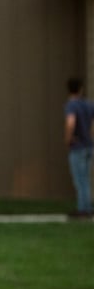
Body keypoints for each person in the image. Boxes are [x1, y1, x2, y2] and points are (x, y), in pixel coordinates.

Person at [64, 77, 94, 219]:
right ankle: (87, 207)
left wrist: (69, 139)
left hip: (78, 147)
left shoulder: (71, 105)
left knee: (79, 179)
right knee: (86, 179)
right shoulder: (89, 105)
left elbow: (71, 122)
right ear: (81, 89)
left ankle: (83, 209)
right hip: (89, 146)